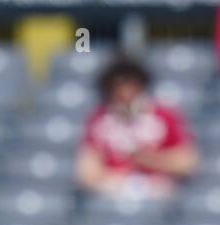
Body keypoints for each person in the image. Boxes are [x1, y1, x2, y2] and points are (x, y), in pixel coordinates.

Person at [76, 57, 198, 202]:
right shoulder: (99, 119)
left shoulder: (164, 116)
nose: (125, 92)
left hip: (158, 195)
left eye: (130, 84)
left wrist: (150, 160)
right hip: (113, 195)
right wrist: (117, 179)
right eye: (117, 86)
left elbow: (187, 163)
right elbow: (86, 172)